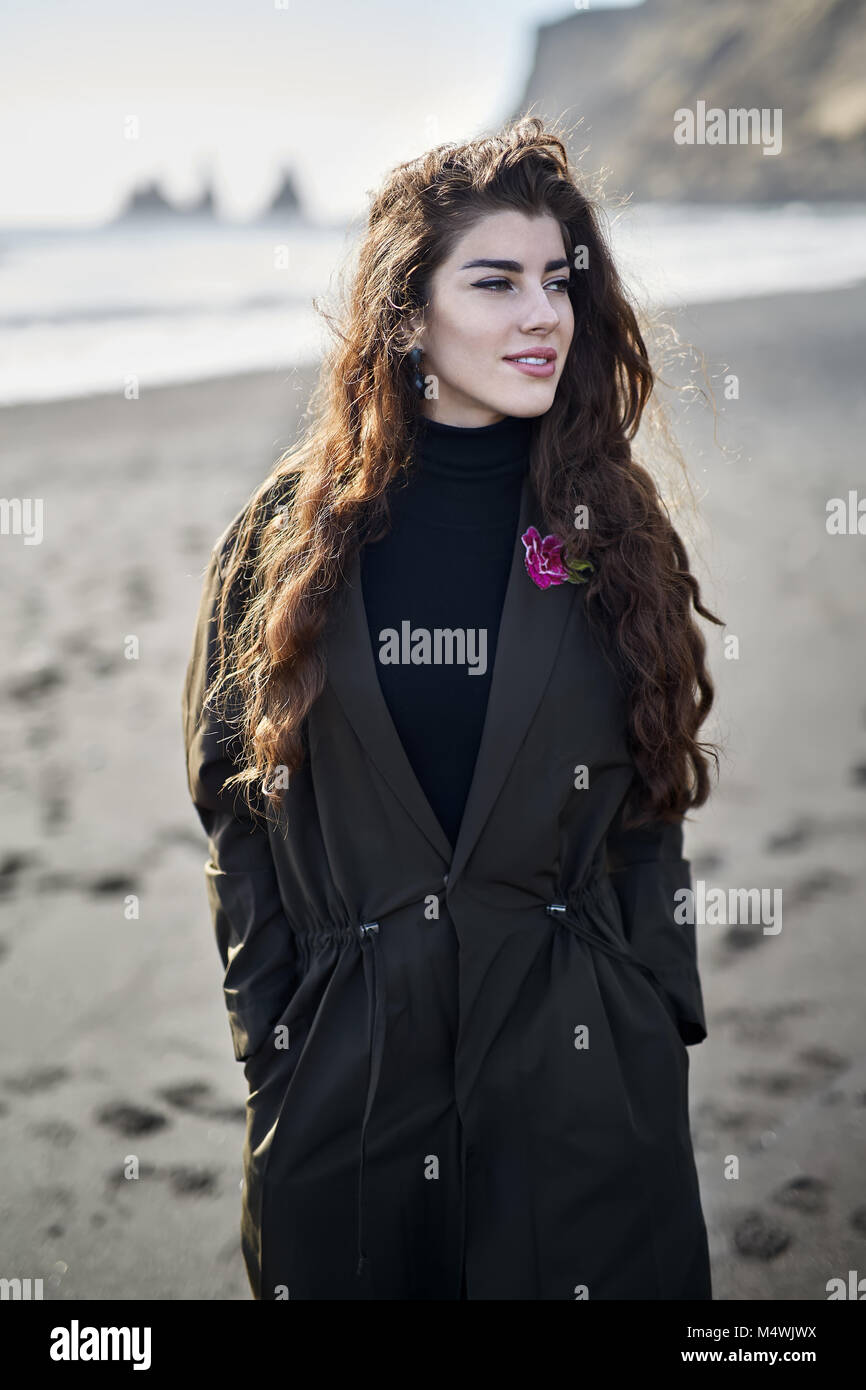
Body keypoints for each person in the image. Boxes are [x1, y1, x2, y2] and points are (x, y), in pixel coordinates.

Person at [181, 116, 723, 1301]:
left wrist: (649, 1007)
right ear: (408, 312)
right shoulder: (284, 544)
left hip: (582, 1087)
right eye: (495, 281)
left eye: (557, 282)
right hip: (347, 1090)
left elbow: (653, 792)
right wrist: (275, 1039)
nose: (542, 313)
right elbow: (235, 803)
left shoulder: (611, 533)